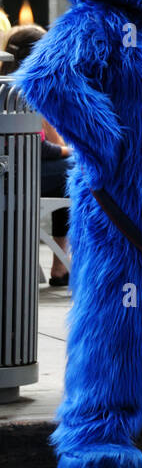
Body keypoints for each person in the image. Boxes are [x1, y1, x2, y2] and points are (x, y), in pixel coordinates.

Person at [3, 24, 74, 284]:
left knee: (69, 169)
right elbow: (42, 147)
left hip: (13, 170)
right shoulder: (24, 89)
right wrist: (69, 149)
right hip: (18, 173)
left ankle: (60, 266)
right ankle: (62, 265)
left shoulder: (7, 88)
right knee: (76, 169)